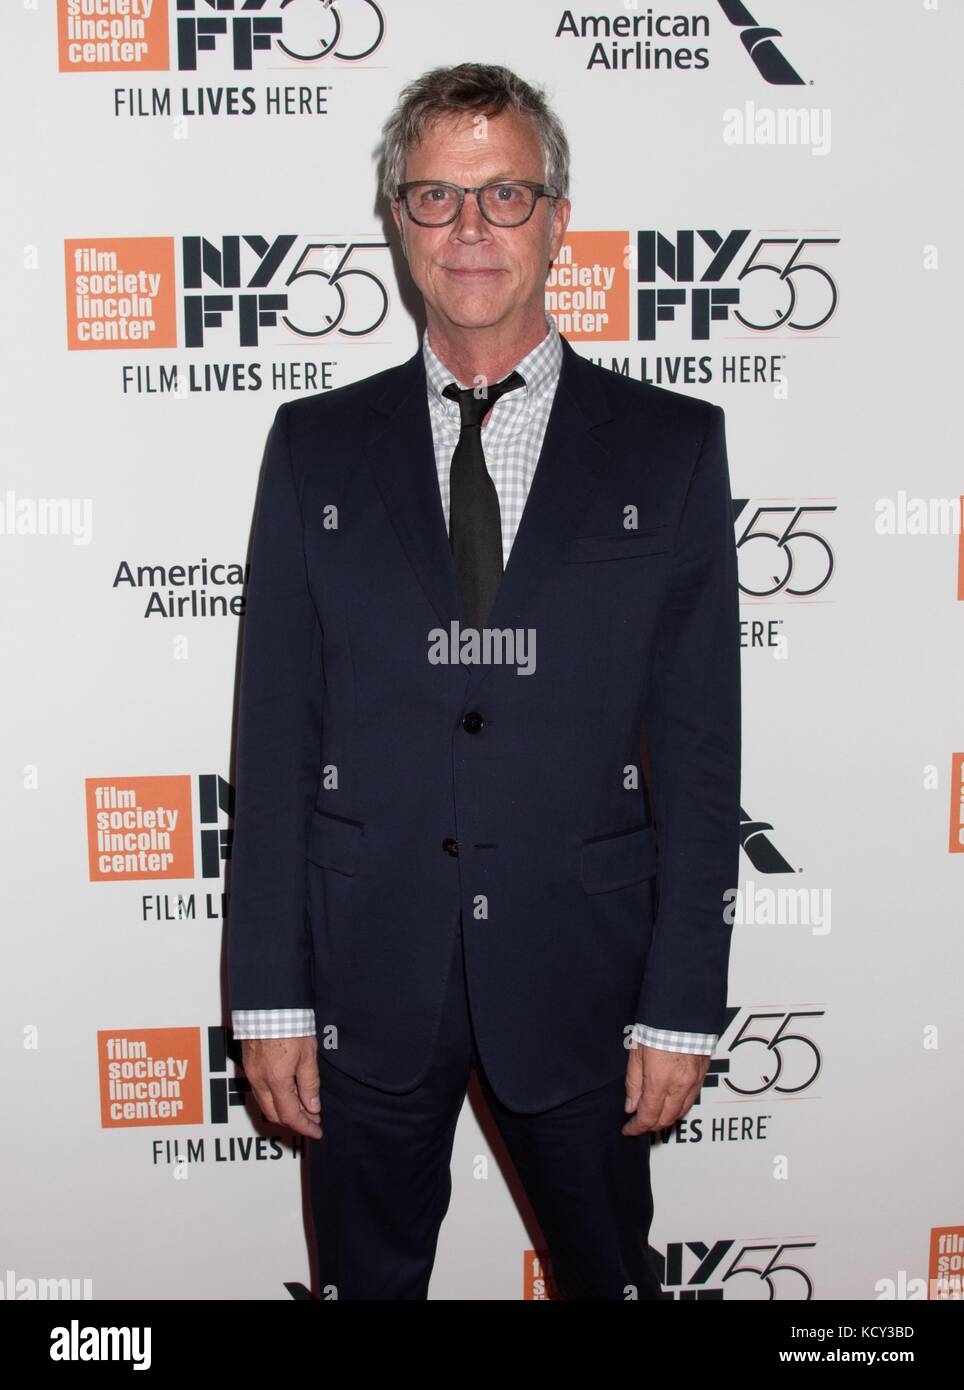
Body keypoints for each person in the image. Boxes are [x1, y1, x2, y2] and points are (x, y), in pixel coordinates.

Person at [227, 62, 741, 1301]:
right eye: (437, 199)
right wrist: (267, 997)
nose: (471, 232)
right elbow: (275, 735)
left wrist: (681, 1005)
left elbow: (700, 747)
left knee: (610, 1278)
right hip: (364, 972)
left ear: (559, 217)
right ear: (396, 223)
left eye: (506, 196)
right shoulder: (315, 445)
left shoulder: (672, 445)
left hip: (586, 971)